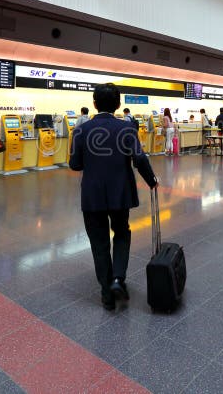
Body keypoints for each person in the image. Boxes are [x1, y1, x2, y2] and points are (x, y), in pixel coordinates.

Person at [69, 83, 158, 311]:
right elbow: (139, 159)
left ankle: (107, 294)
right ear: (119, 104)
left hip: (92, 194)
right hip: (120, 193)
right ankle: (118, 278)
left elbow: (75, 164)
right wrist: (152, 181)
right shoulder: (126, 128)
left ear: (94, 104)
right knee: (121, 233)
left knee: (99, 242)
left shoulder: (81, 130)